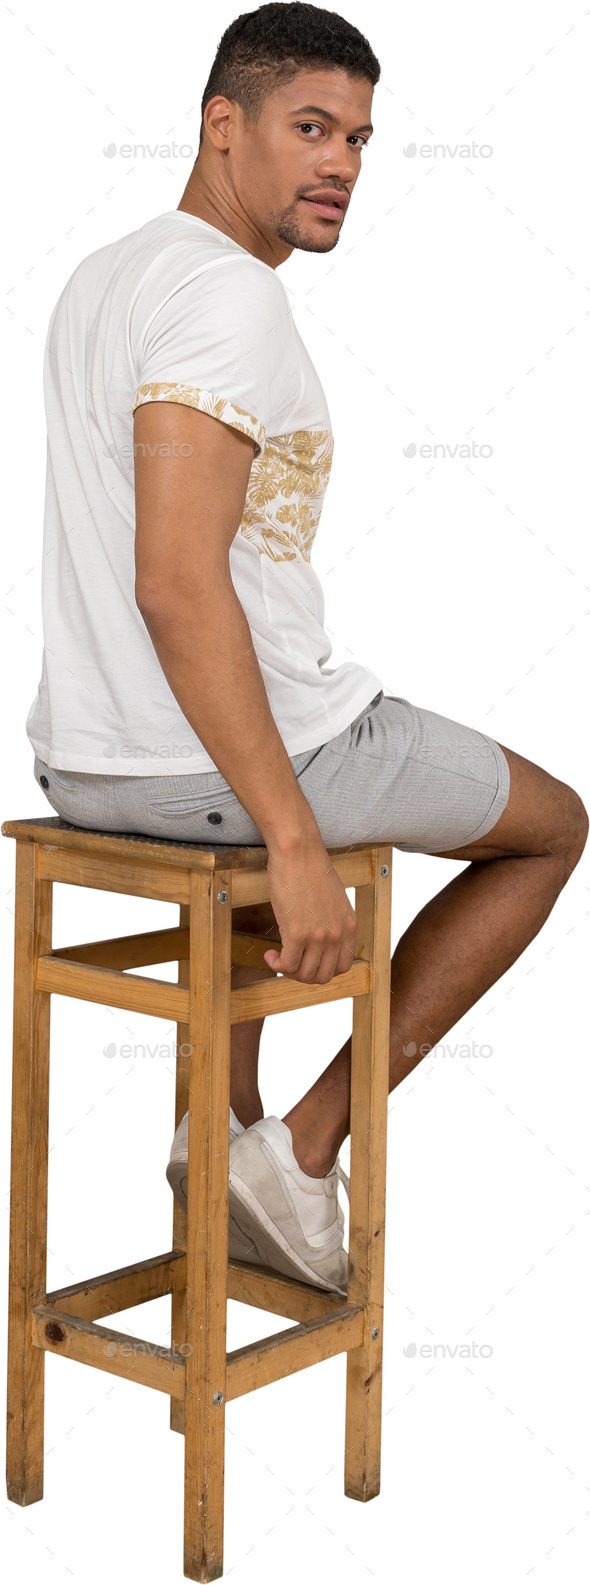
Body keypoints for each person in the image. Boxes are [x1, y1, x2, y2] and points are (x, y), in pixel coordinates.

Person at [29, 3, 587, 1294]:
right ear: (222, 128)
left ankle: (212, 1140)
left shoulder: (107, 274)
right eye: (309, 128)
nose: (340, 162)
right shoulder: (228, 297)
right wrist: (291, 839)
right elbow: (175, 587)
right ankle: (298, 1146)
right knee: (555, 824)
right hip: (218, 758)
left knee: (264, 796)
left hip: (89, 763)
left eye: (359, 138)